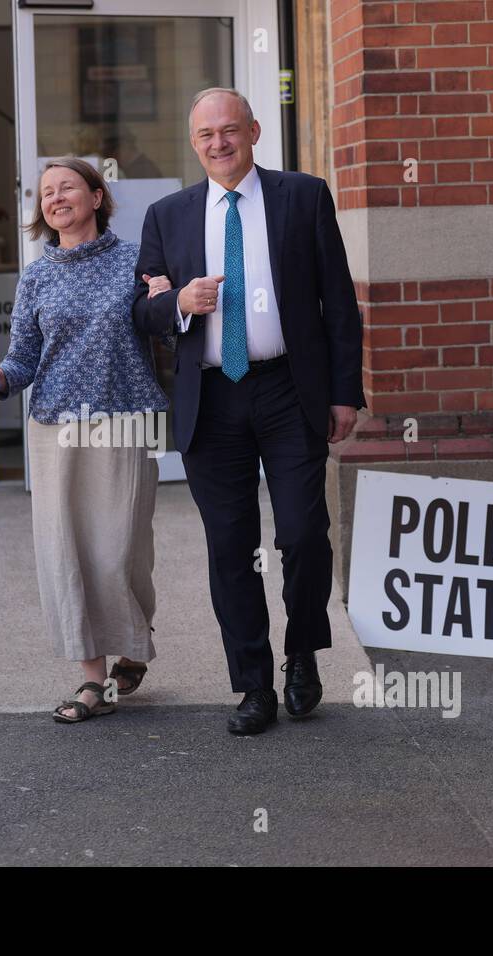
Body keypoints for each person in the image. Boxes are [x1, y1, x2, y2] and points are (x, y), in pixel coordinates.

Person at [132, 88, 365, 735]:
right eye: (205, 135)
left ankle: (302, 655)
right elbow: (141, 312)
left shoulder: (303, 196)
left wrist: (345, 392)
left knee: (302, 534)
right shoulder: (167, 215)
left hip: (290, 389)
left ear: (254, 131)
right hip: (211, 397)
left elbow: (338, 303)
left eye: (229, 130)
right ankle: (254, 683)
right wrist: (179, 300)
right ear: (194, 143)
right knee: (230, 546)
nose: (218, 143)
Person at [0, 157, 172, 723]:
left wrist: (167, 298)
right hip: (55, 426)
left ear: (97, 195)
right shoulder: (36, 275)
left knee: (120, 550)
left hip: (126, 419)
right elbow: (25, 357)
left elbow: (168, 329)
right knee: (69, 554)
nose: (56, 198)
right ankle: (91, 680)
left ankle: (134, 638)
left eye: (68, 188)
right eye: (47, 192)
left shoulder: (136, 259)